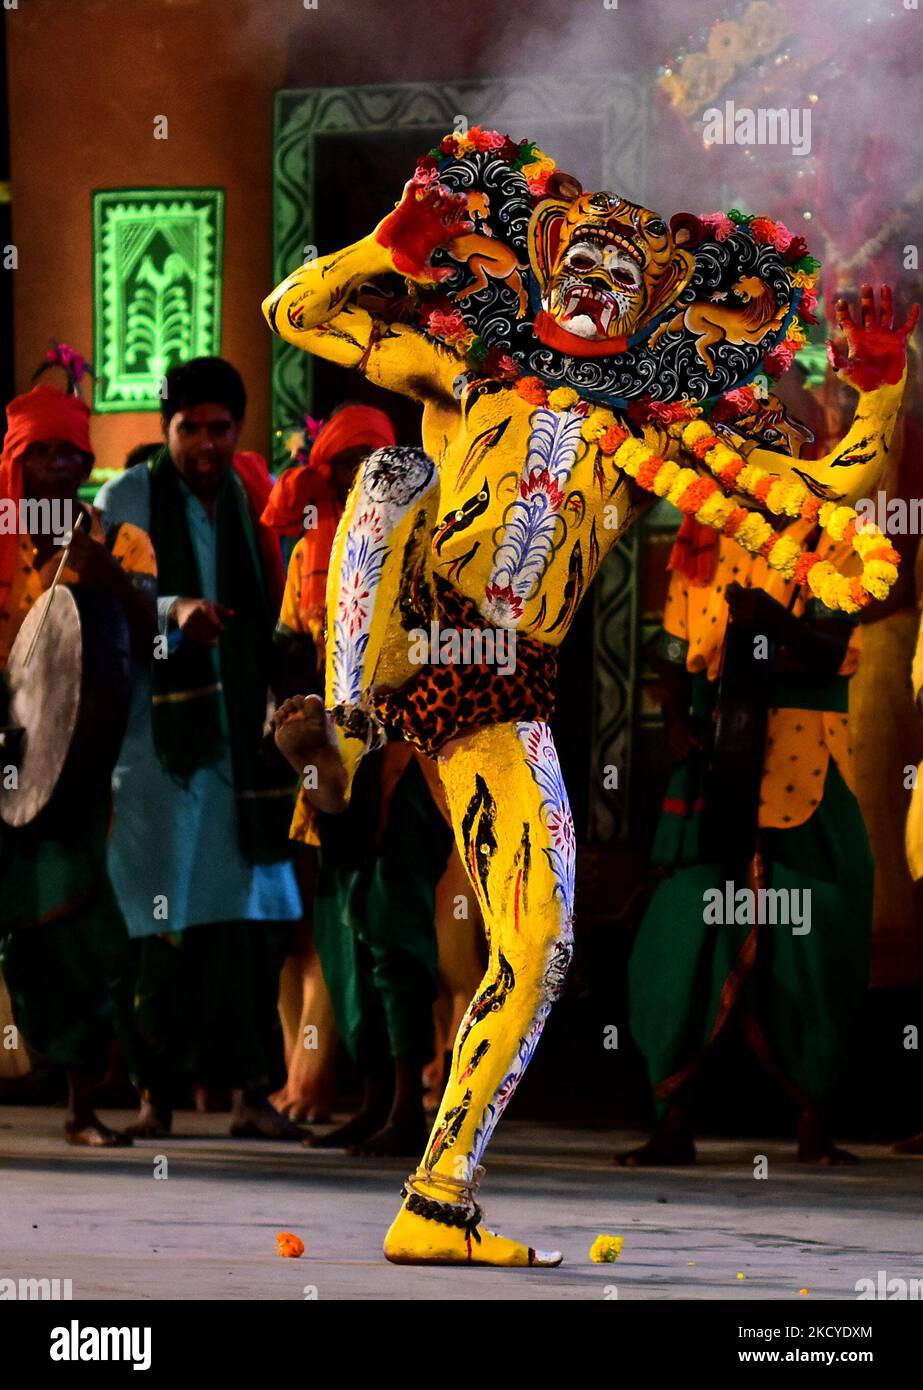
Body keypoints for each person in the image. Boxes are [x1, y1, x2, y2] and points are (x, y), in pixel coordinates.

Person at [263, 128, 914, 1266]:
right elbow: (295, 314)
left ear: (645, 312)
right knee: (391, 470)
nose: (597, 283)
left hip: (503, 690)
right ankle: (348, 727)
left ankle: (436, 1198)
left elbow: (814, 488)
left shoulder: (645, 431)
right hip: (410, 640)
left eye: (623, 275)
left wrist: (877, 391)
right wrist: (379, 246)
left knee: (544, 946)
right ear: (545, 273)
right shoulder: (464, 369)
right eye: (581, 263)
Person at [623, 505, 872, 1166]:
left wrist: (778, 622)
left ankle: (815, 1123)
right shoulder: (699, 537)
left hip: (804, 757)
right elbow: (672, 654)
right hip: (716, 755)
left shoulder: (832, 538)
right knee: (677, 942)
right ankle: (670, 1121)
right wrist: (677, 715)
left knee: (817, 942)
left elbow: (829, 648)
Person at [95, 356, 303, 1139]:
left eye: (221, 428)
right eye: (191, 429)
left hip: (246, 745)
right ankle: (154, 1098)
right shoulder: (128, 499)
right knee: (161, 923)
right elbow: (106, 604)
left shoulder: (256, 496)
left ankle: (252, 1096)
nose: (207, 444)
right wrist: (175, 611)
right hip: (157, 748)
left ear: (239, 428)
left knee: (252, 921)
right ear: (165, 429)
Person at [267, 407, 455, 1155]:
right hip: (331, 761)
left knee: (394, 929)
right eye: (347, 474)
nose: (361, 487)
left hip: (404, 761)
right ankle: (376, 1096)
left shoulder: (430, 553)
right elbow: (288, 652)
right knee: (346, 932)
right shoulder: (309, 558)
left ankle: (410, 1102)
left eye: (373, 471)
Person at [0, 372, 157, 1145]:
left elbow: (155, 639)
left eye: (73, 453)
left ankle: (80, 1103)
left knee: (77, 934)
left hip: (83, 776)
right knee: (25, 940)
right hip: (7, 766)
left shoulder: (118, 540)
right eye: (43, 453)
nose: (61, 467)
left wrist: (115, 584)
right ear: (15, 463)